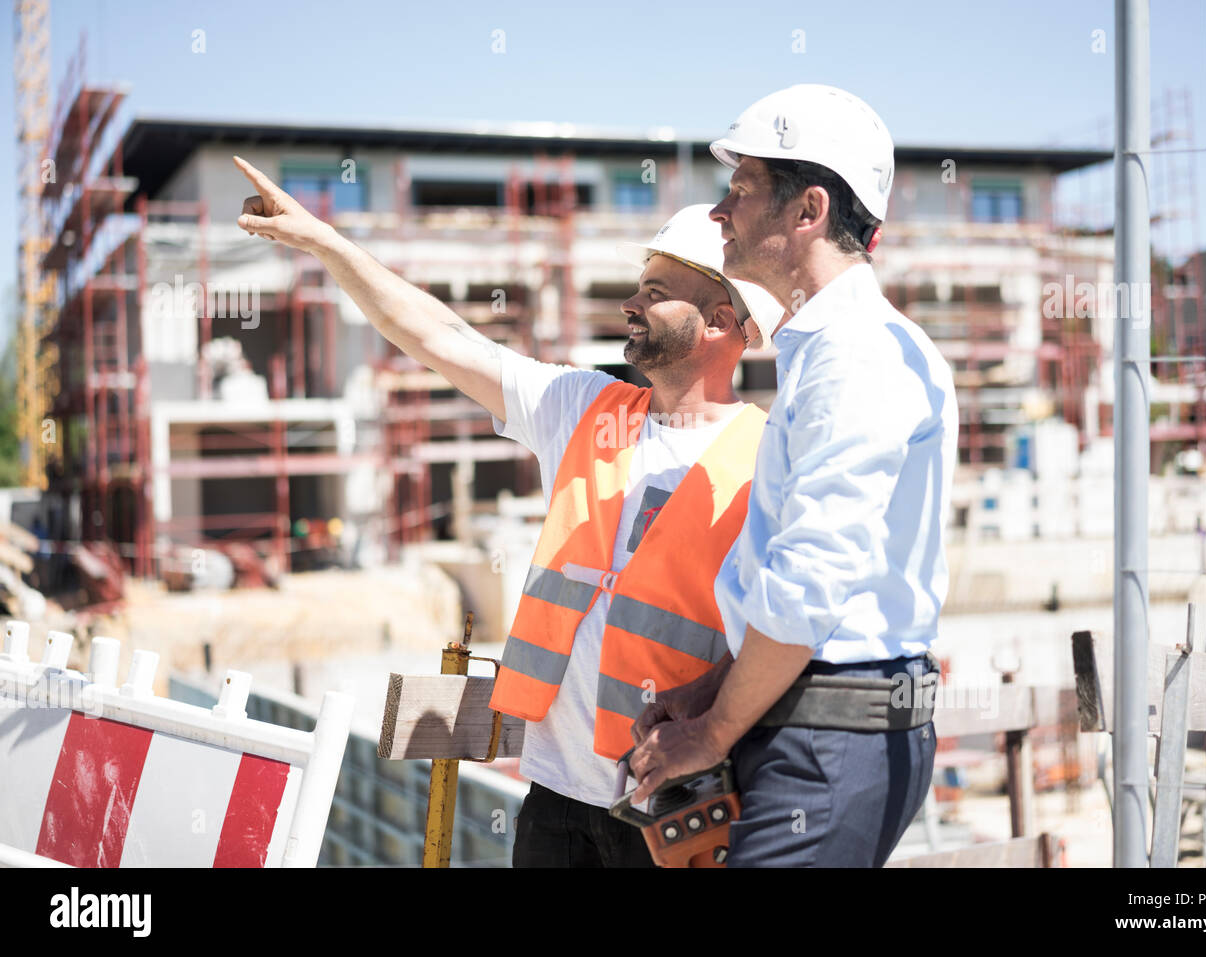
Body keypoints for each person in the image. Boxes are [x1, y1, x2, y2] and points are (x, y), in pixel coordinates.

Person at [230, 167, 781, 866]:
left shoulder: (768, 459)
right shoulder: (585, 408)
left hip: (669, 810)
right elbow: (443, 335)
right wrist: (328, 244)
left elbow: (780, 632)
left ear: (722, 322)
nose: (629, 306)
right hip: (552, 797)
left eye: (657, 292)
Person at [628, 84, 960, 867]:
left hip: (824, 749)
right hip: (826, 737)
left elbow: (811, 583)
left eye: (740, 191)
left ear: (807, 211)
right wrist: (720, 685)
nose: (719, 213)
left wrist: (710, 733)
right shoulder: (840, 348)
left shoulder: (852, 356)